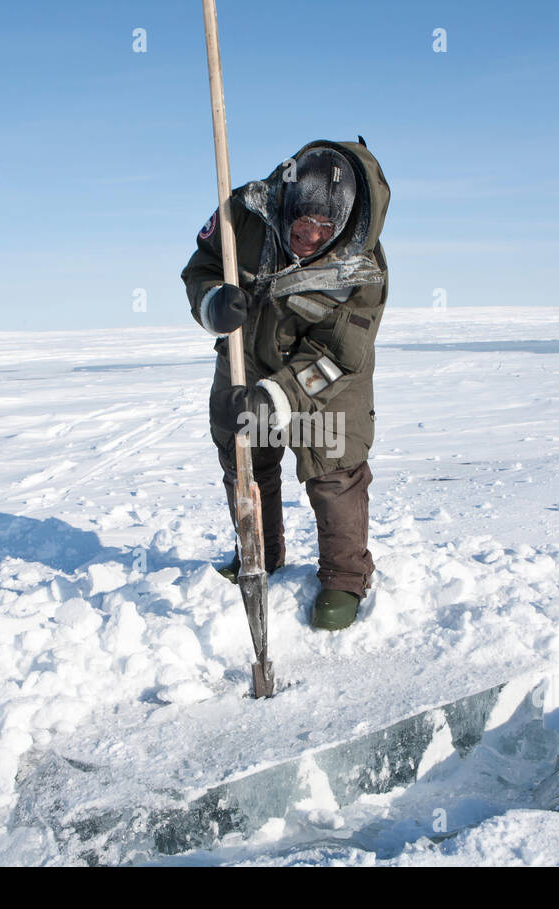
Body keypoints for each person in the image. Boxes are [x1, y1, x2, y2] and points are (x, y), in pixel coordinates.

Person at [181, 137, 390, 630]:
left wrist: (275, 398)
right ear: (288, 204)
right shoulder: (245, 214)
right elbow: (201, 266)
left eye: (325, 227)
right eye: (302, 222)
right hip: (246, 355)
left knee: (333, 466)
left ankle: (345, 576)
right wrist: (213, 301)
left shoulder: (363, 268)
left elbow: (338, 355)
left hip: (327, 374)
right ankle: (261, 553)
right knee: (244, 454)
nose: (310, 236)